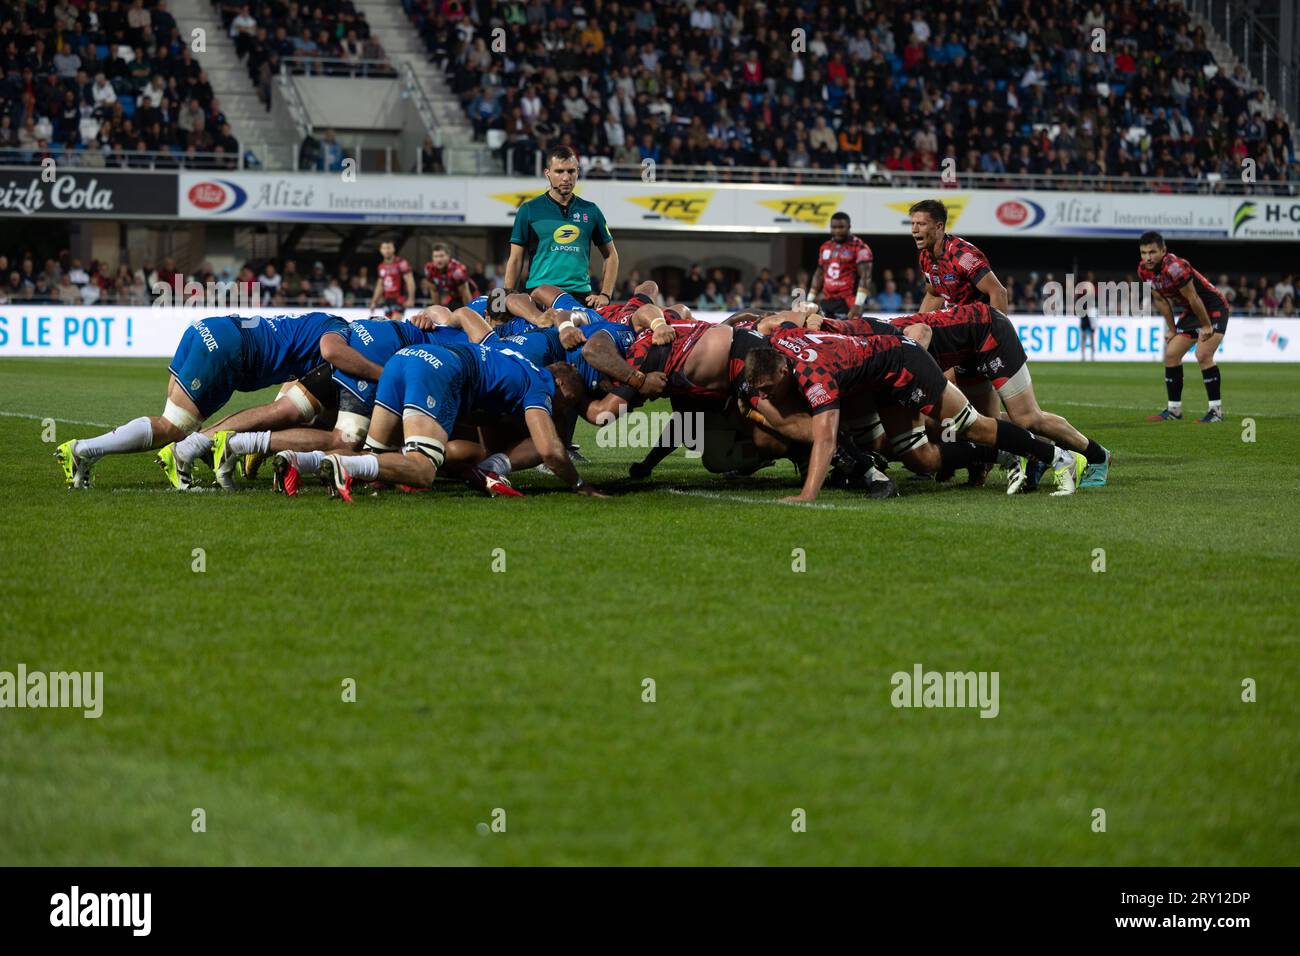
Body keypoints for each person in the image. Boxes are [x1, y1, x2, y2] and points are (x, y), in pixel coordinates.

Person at [504, 145, 619, 309]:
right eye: (559, 171)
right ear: (547, 173)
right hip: (538, 297)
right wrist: (507, 300)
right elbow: (515, 260)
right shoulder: (528, 210)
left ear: (578, 172)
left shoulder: (591, 211)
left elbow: (611, 255)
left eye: (571, 171)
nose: (566, 177)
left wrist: (605, 294)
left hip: (580, 298)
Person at [1137, 231, 1229, 423]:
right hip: (1192, 311)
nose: (1148, 257)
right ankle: (1174, 411)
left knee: (1203, 354)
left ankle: (1216, 412)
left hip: (1213, 308)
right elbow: (1160, 300)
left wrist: (1206, 325)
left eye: (1152, 252)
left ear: (1163, 250)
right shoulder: (1144, 271)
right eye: (1144, 252)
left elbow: (1194, 297)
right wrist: (1172, 329)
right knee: (1171, 354)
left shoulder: (1176, 268)